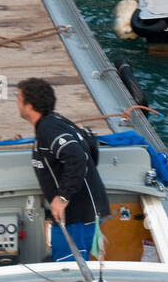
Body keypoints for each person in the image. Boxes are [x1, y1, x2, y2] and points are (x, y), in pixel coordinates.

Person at [16, 78, 109, 262]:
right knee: (72, 267)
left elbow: (77, 157)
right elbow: (89, 148)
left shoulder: (49, 128)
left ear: (30, 105)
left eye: (18, 98)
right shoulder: (55, 122)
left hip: (77, 217)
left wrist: (62, 198)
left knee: (69, 273)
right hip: (84, 213)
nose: (16, 102)